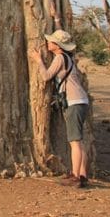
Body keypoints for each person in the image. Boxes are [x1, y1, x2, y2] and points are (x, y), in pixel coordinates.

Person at [30, 28, 90, 188]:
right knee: (79, 141)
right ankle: (82, 175)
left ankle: (75, 177)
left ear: (57, 45)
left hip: (74, 102)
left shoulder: (59, 58)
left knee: (75, 142)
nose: (48, 43)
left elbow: (46, 76)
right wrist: (56, 17)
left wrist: (38, 61)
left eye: (51, 41)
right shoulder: (68, 57)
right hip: (81, 101)